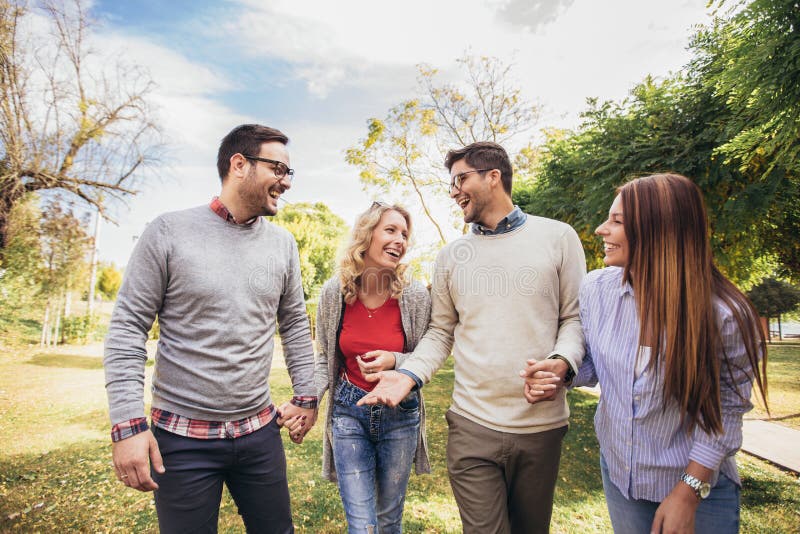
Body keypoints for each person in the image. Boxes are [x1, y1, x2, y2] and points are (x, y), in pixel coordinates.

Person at [359, 142, 587, 533]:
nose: (453, 191)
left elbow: (575, 318)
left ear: (493, 177)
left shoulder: (558, 238)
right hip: (471, 425)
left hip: (541, 429)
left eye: (461, 179)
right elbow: (440, 332)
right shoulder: (451, 257)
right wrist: (409, 372)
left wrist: (563, 363)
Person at [103, 124, 318, 533]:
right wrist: (128, 425)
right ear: (239, 164)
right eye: (279, 169)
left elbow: (292, 325)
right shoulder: (168, 231)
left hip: (259, 435)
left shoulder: (283, 245)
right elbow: (128, 329)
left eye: (290, 173)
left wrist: (307, 396)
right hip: (181, 442)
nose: (286, 182)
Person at [525, 173, 768, 533]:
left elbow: (727, 410)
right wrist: (564, 371)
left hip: (699, 487)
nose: (600, 230)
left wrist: (688, 492)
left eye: (617, 222)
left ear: (660, 231)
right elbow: (595, 360)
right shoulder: (596, 288)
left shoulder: (725, 315)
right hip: (622, 478)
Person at [309, 202, 431, 534]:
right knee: (362, 525)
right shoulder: (336, 292)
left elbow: (430, 354)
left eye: (404, 234)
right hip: (349, 411)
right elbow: (325, 358)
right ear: (367, 235)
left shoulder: (415, 295)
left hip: (400, 415)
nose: (399, 240)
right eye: (390, 230)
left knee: (389, 521)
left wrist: (397, 360)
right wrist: (308, 400)